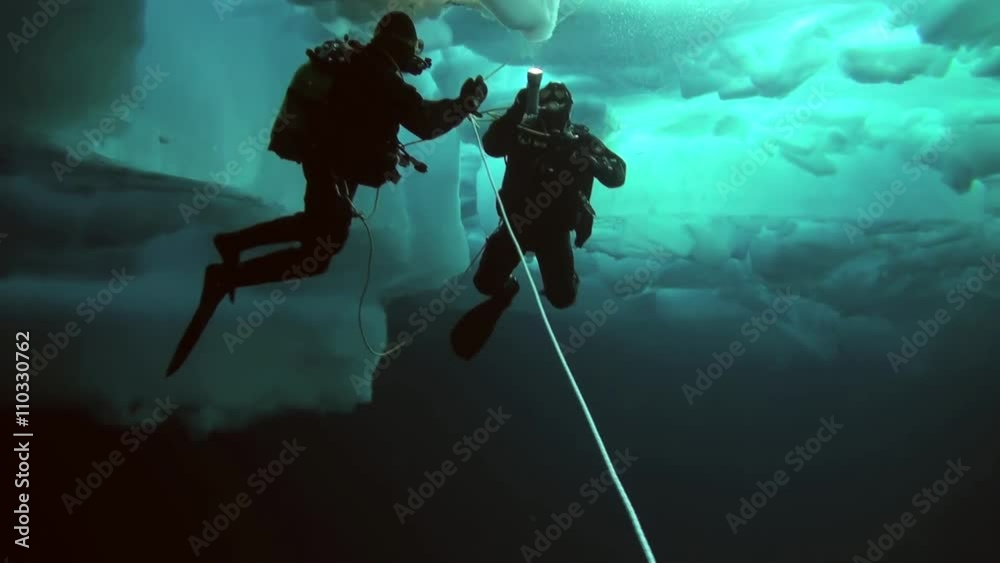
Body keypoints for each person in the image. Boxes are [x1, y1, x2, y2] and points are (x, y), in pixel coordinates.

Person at [167, 11, 487, 376]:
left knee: (318, 227)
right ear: (399, 47)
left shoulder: (366, 66)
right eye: (411, 49)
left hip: (328, 160)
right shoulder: (381, 78)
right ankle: (226, 276)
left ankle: (234, 243)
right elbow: (425, 122)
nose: (415, 57)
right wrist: (464, 105)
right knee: (320, 254)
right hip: (333, 165)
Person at [474, 82, 626, 308]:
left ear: (569, 106)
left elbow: (618, 173)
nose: (553, 102)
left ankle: (564, 282)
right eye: (547, 97)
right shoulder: (523, 132)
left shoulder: (581, 140)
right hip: (517, 222)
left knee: (562, 297)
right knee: (485, 283)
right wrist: (516, 111)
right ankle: (508, 289)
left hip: (555, 229)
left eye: (559, 98)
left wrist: (591, 162)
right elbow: (491, 146)